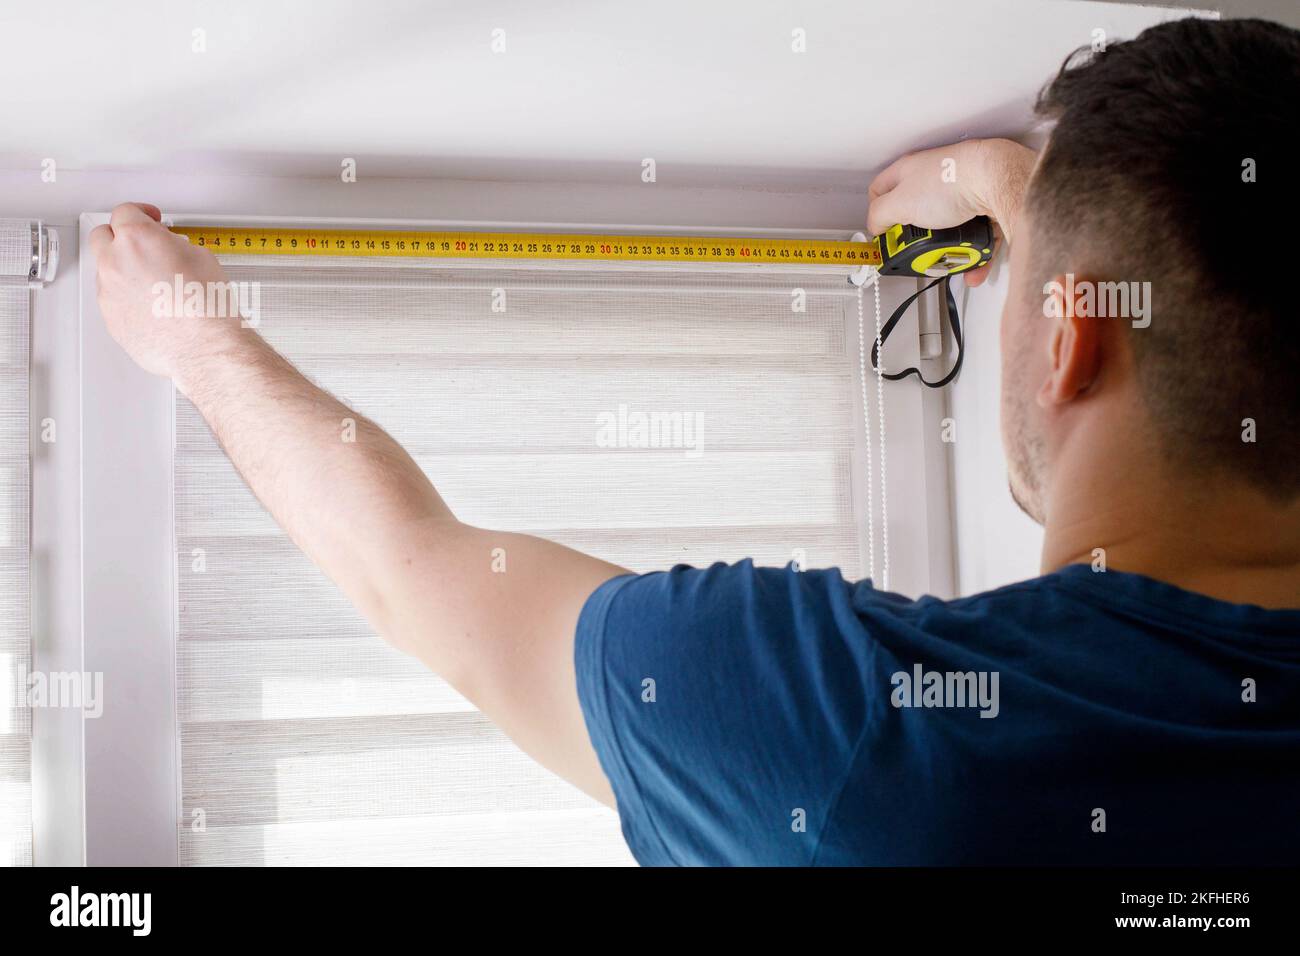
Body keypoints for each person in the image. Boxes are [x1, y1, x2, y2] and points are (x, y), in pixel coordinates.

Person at [90, 17, 1298, 865]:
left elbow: (415, 569)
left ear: (1068, 342)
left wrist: (195, 342)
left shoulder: (851, 738)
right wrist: (1034, 208)